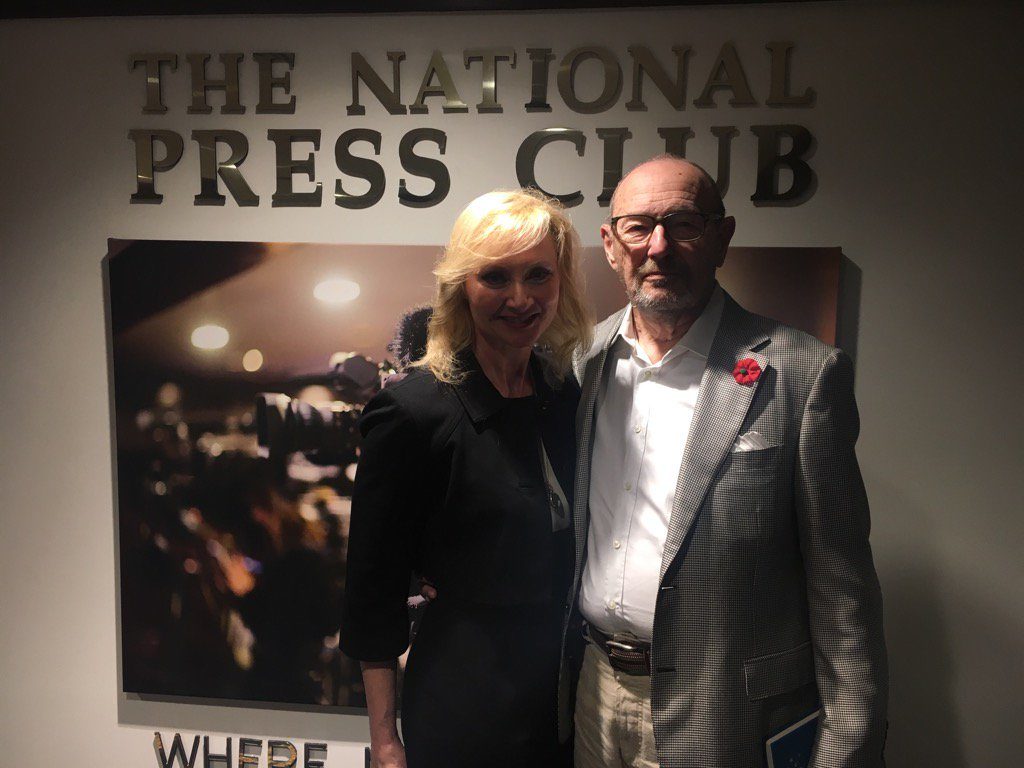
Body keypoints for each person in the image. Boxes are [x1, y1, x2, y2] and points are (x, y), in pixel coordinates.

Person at [569, 155, 888, 768]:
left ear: (722, 237)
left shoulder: (803, 373)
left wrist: (848, 745)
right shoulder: (580, 363)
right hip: (593, 690)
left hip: (725, 713)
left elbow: (842, 590)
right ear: (611, 245)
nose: (658, 247)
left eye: (683, 224)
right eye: (637, 227)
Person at [340, 189, 593, 768]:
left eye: (538, 276)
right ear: (461, 286)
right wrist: (385, 743)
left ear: (562, 284)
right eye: (495, 278)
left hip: (565, 703)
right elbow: (370, 595)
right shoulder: (412, 412)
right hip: (466, 705)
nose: (520, 298)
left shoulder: (564, 397)